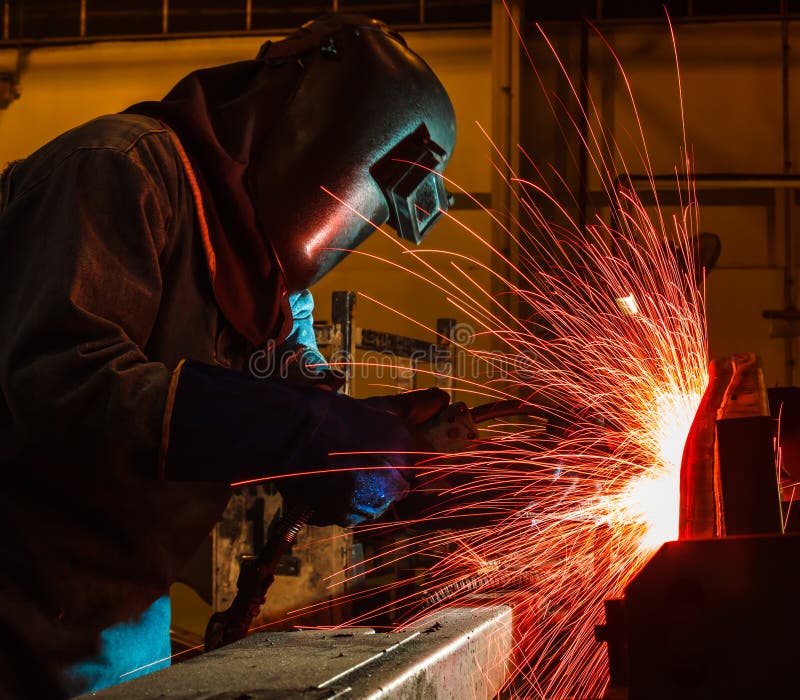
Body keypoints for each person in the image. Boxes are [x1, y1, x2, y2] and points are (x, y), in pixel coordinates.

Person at [0, 13, 456, 697]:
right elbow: (66, 385)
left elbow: (302, 411)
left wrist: (387, 449)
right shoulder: (119, 173)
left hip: (119, 627)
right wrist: (299, 433)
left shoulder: (270, 285)